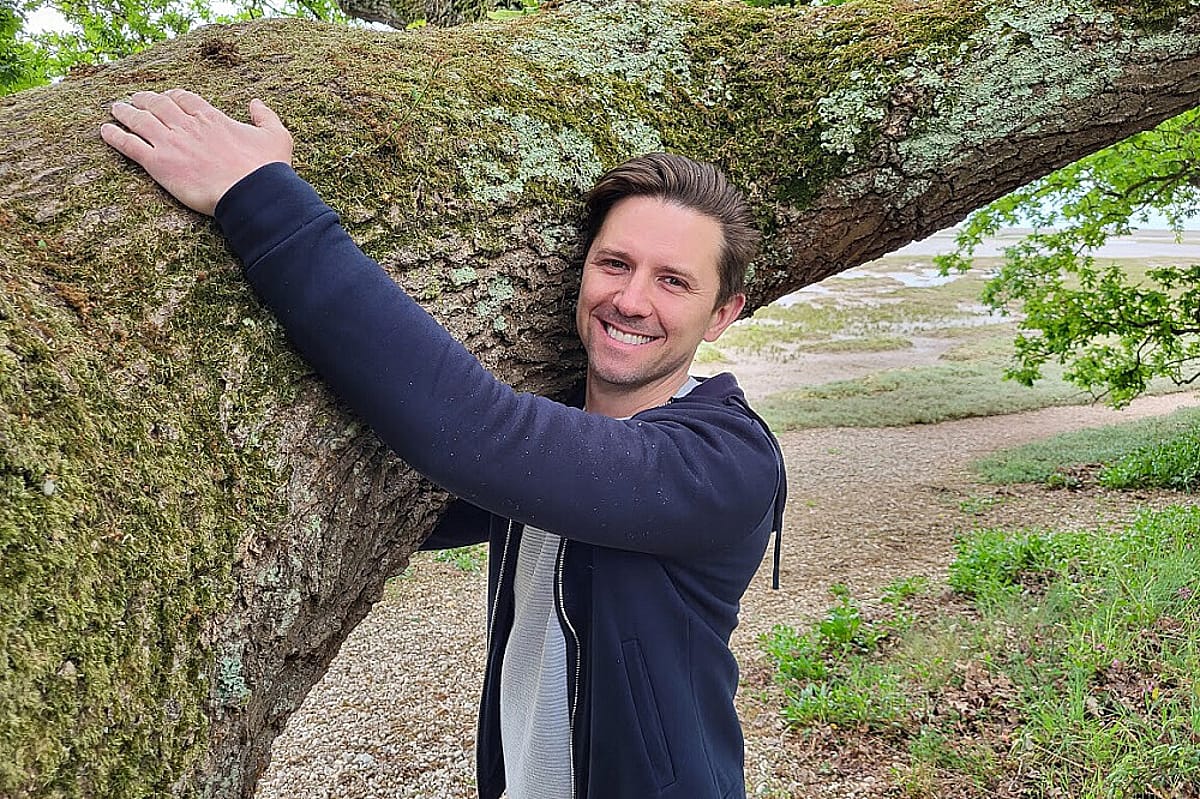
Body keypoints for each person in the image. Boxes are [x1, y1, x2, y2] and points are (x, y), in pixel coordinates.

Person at [101, 89, 787, 799]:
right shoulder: (558, 448)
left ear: (722, 314)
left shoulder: (724, 461)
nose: (632, 300)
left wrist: (258, 197)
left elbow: (471, 430)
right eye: (614, 263)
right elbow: (396, 502)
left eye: (673, 281)